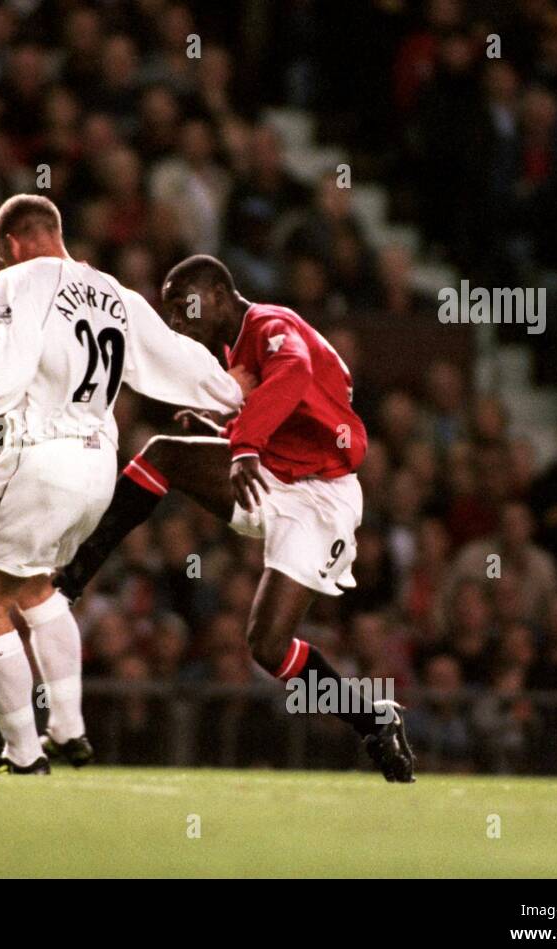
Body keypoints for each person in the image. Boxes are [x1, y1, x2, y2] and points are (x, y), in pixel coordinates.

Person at [0, 197, 252, 774]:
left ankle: (23, 754)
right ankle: (67, 729)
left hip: (42, 455)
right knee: (34, 589)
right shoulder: (117, 293)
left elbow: (12, 359)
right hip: (99, 467)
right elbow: (174, 360)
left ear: (13, 245)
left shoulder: (19, 278)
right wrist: (235, 394)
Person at [54, 254, 416, 781]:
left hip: (321, 498)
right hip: (272, 475)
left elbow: (295, 373)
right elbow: (282, 413)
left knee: (267, 647)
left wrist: (242, 443)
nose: (177, 320)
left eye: (184, 305)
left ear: (218, 295)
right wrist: (228, 429)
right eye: (169, 310)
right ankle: (71, 579)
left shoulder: (272, 325)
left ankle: (372, 719)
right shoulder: (234, 352)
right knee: (164, 454)